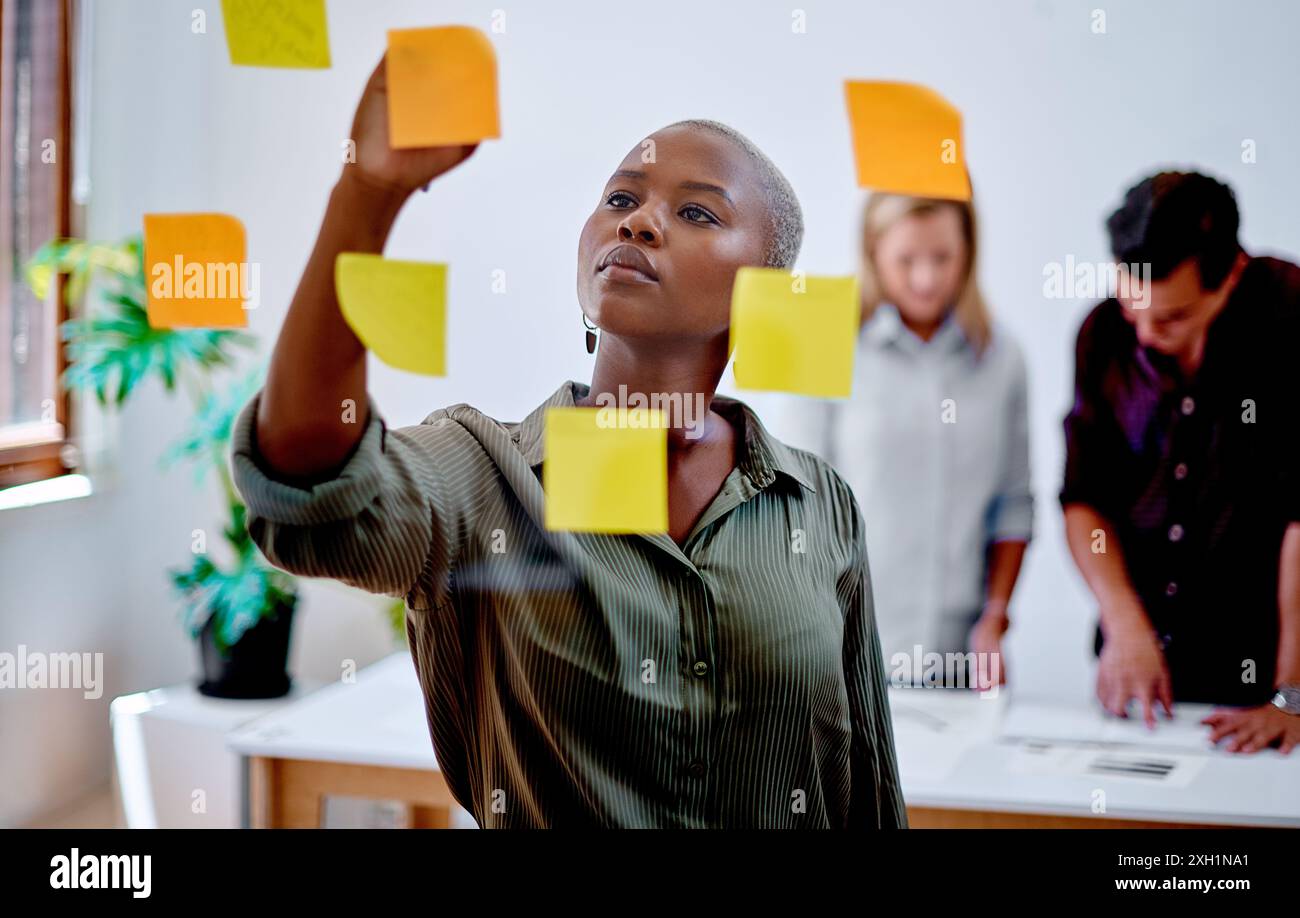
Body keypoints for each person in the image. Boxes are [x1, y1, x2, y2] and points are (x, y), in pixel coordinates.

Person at [229, 56, 907, 826]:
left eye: (697, 213)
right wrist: (369, 195)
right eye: (622, 198)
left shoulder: (820, 507)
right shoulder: (488, 476)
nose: (638, 220)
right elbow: (310, 477)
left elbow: (868, 793)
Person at [1062, 170, 1300, 754]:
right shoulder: (1102, 334)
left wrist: (1292, 695)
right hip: (1143, 672)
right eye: (1130, 307)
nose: (1143, 336)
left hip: (1266, 678)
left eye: (1169, 318)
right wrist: (1124, 622)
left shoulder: (1290, 318)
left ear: (1232, 275)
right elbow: (1082, 500)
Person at [787, 193, 1033, 690]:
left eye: (942, 258)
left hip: (960, 658)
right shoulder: (824, 341)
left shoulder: (1002, 358)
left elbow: (1013, 504)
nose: (926, 278)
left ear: (969, 250)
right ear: (873, 252)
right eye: (906, 260)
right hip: (844, 649)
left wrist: (996, 618)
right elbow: (796, 501)